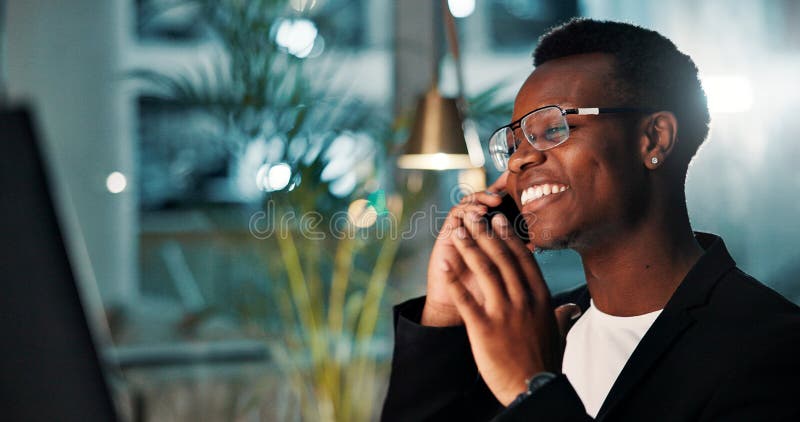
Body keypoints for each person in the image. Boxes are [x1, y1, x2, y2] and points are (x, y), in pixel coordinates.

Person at [381, 18, 800, 421]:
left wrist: (534, 389)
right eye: (514, 141)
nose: (522, 157)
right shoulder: (524, 325)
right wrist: (442, 315)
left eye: (552, 129)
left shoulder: (771, 346)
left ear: (653, 138)